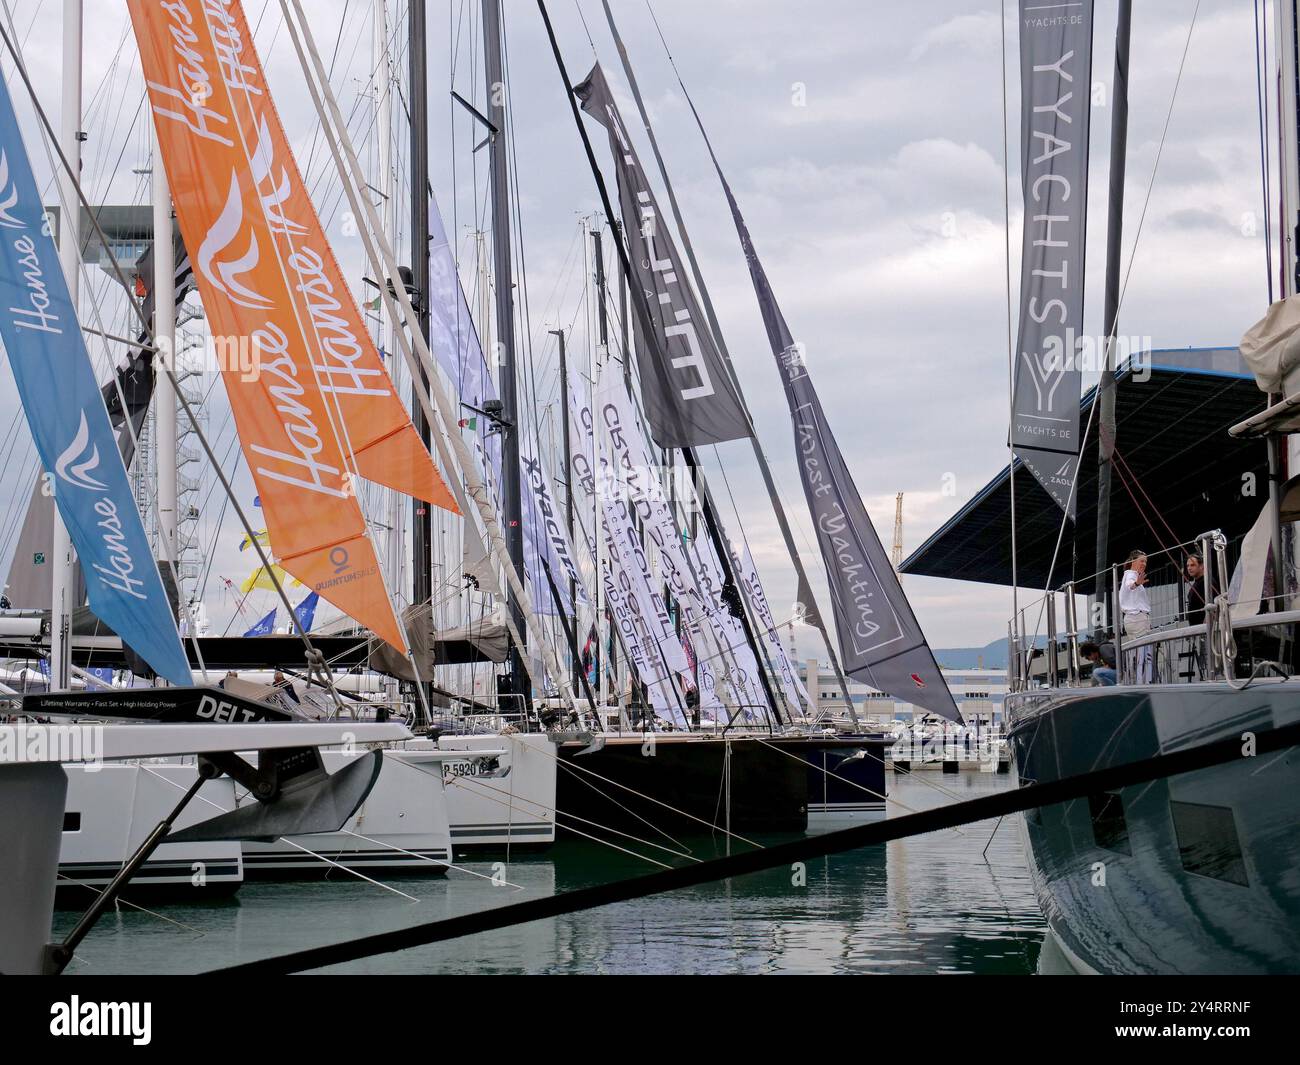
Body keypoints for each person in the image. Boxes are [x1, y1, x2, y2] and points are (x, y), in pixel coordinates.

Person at [1120, 550, 1153, 683]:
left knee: (1136, 653)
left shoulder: (1128, 575)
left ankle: (1137, 680)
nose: (1144, 564)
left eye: (1145, 561)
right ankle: (1145, 681)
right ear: (1133, 561)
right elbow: (1130, 586)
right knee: (1144, 652)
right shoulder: (1131, 575)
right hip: (1137, 617)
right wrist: (1137, 583)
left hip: (1130, 619)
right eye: (1141, 561)